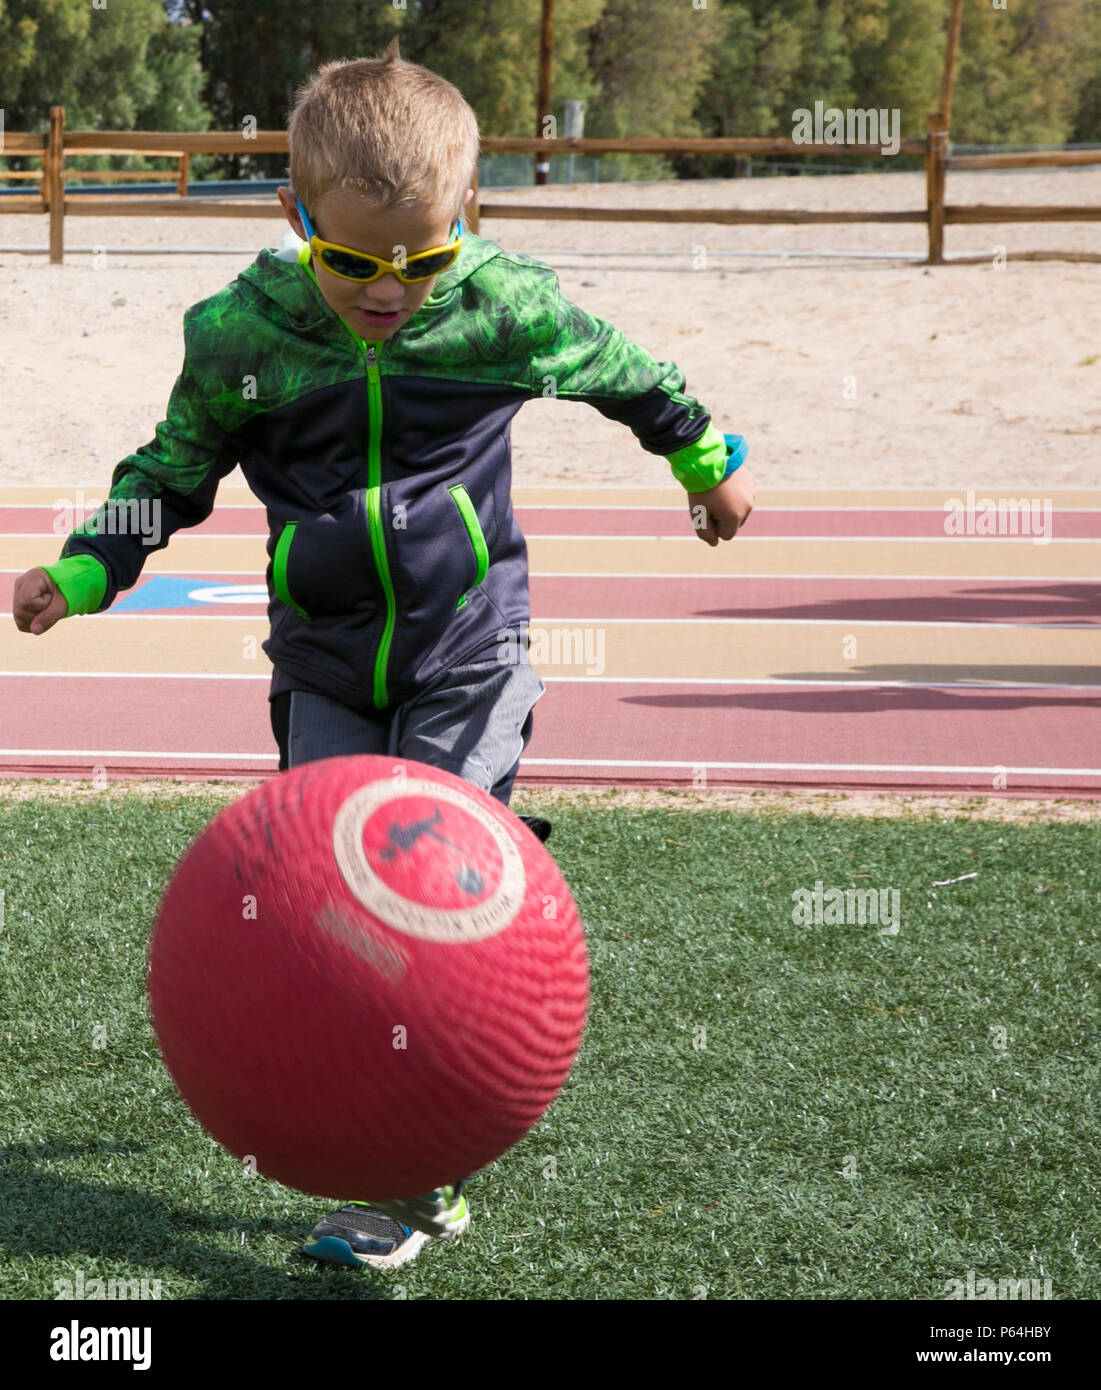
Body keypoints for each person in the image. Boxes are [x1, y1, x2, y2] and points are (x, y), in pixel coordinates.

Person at [12, 37, 755, 1271]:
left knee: (428, 915)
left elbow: (635, 379)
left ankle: (414, 1182)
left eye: (424, 258)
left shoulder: (504, 306)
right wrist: (91, 566)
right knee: (323, 915)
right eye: (354, 260)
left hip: (473, 646)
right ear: (297, 212)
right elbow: (173, 471)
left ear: (468, 216)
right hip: (322, 664)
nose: (388, 291)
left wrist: (709, 469)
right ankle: (345, 1126)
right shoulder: (242, 333)